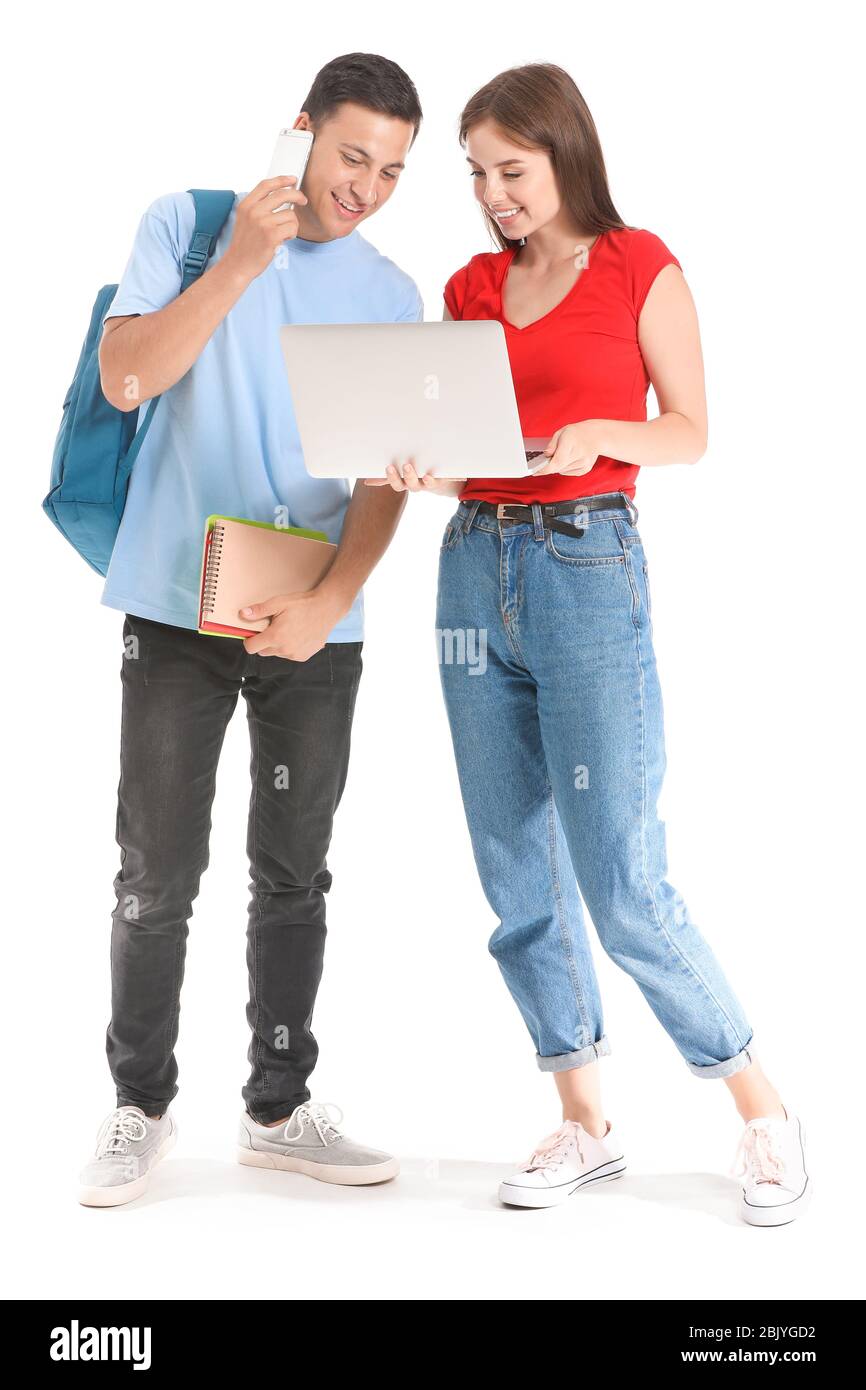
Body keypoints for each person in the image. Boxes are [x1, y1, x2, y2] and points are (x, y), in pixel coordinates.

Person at [371, 63, 811, 1225]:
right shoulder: (469, 285)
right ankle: (582, 1120)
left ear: (564, 153)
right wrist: (416, 465)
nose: (492, 194)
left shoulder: (634, 264)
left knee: (620, 872)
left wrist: (592, 436)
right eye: (475, 174)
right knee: (514, 866)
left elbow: (690, 432)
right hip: (471, 564)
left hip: (583, 563)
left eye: (509, 171)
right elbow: (455, 439)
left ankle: (760, 1111)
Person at [78, 53, 423, 1207]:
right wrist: (240, 264)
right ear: (301, 133)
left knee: (294, 873)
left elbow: (381, 484)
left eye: (390, 169)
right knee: (154, 871)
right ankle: (139, 1106)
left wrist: (329, 600)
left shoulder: (388, 292)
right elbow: (127, 379)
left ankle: (277, 1107)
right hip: (178, 606)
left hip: (316, 620)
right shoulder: (187, 224)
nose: (364, 187)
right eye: (349, 156)